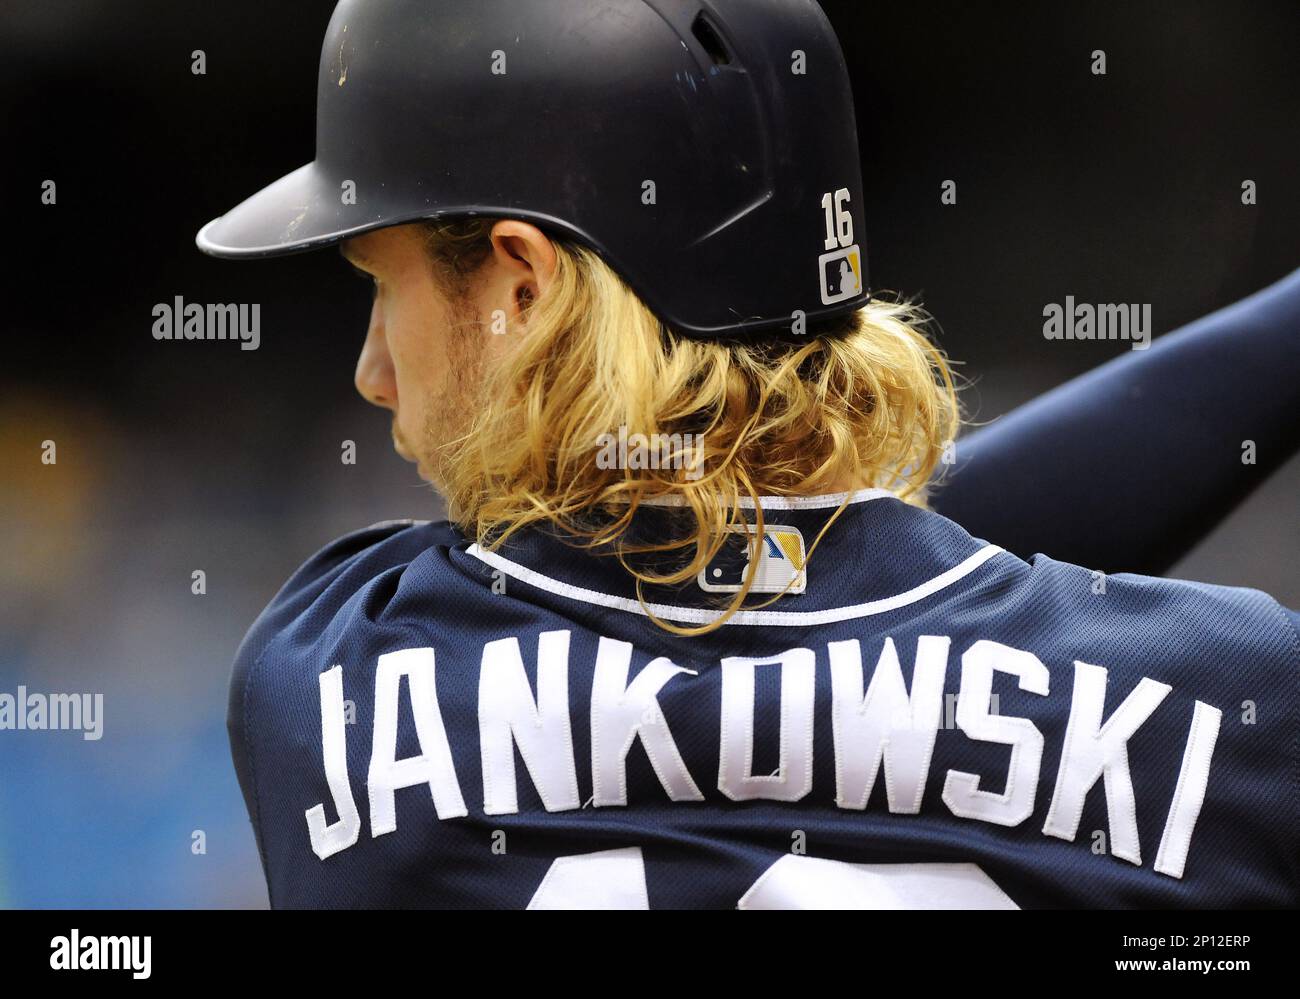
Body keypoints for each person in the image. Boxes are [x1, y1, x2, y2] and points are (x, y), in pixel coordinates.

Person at [197, 0, 1298, 908]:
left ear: (521, 287)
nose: (374, 367)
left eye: (383, 287)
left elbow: (772, 603)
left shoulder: (332, 675)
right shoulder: (1240, 701)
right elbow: (884, 578)